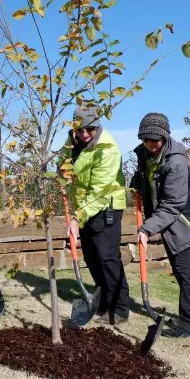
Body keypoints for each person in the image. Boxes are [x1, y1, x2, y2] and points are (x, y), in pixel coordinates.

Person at [131, 112, 190, 338]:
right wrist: (137, 182)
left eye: (155, 140)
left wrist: (146, 228)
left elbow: (173, 204)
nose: (150, 144)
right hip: (169, 214)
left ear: (164, 137)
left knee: (184, 271)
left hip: (185, 218)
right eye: (145, 140)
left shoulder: (176, 162)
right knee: (181, 269)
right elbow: (147, 176)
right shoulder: (146, 153)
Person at [59, 106, 130, 325]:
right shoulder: (71, 140)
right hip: (84, 207)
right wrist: (61, 171)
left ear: (97, 126)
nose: (85, 134)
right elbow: (64, 164)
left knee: (107, 258)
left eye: (90, 129)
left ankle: (119, 309)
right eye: (80, 129)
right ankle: (103, 300)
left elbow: (100, 191)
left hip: (106, 206)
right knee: (91, 257)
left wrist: (76, 217)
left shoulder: (107, 148)